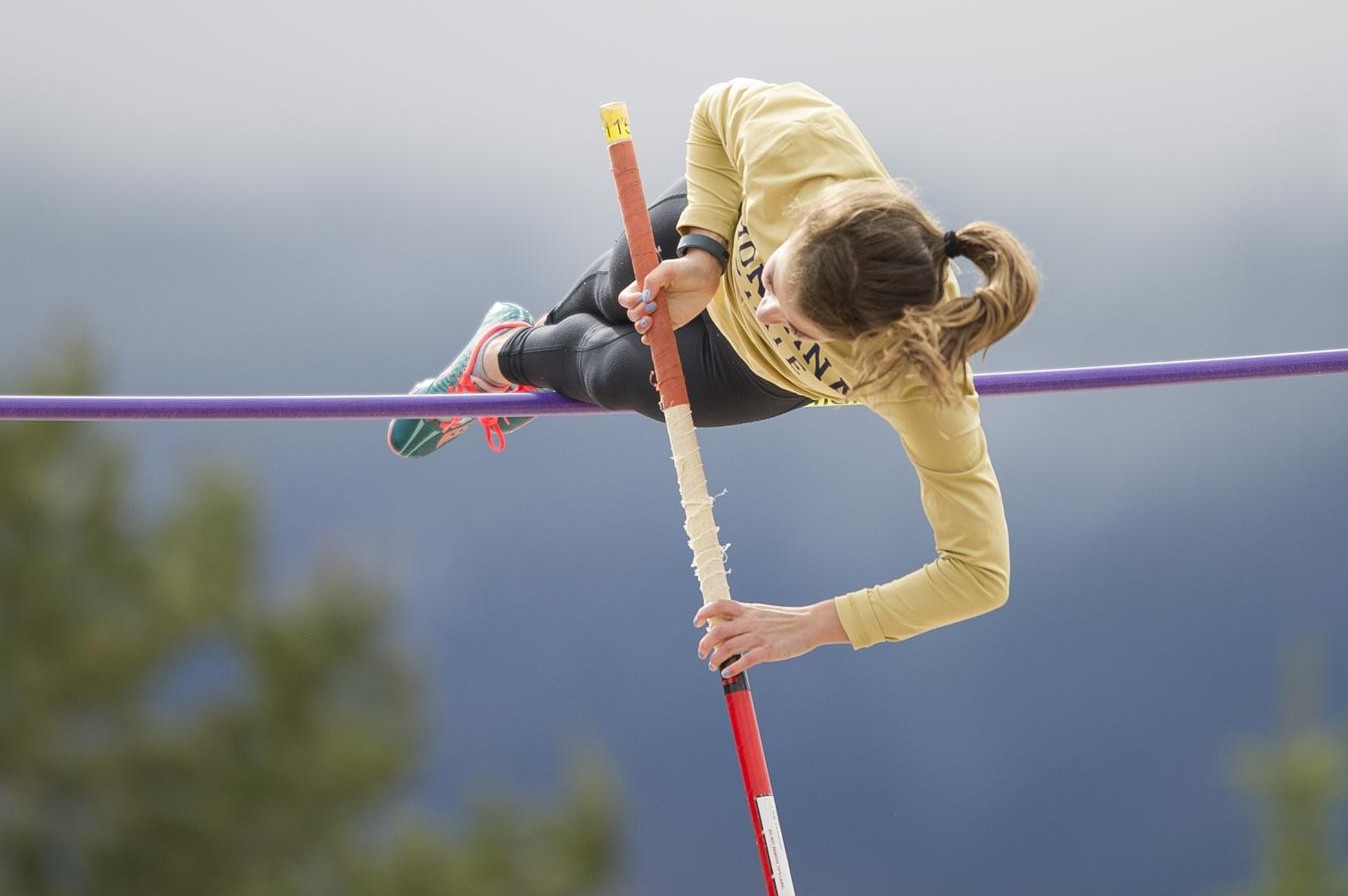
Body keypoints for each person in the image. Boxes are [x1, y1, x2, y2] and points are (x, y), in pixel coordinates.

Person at [387, 78, 1038, 680]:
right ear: (805, 219)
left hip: (750, 370)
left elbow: (980, 574)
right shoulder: (803, 145)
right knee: (623, 288)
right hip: (712, 238)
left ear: (863, 340)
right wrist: (705, 255)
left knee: (621, 376)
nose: (765, 309)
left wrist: (813, 625)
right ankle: (545, 333)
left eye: (801, 327)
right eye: (775, 279)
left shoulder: (918, 380)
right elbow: (717, 107)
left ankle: (499, 357)